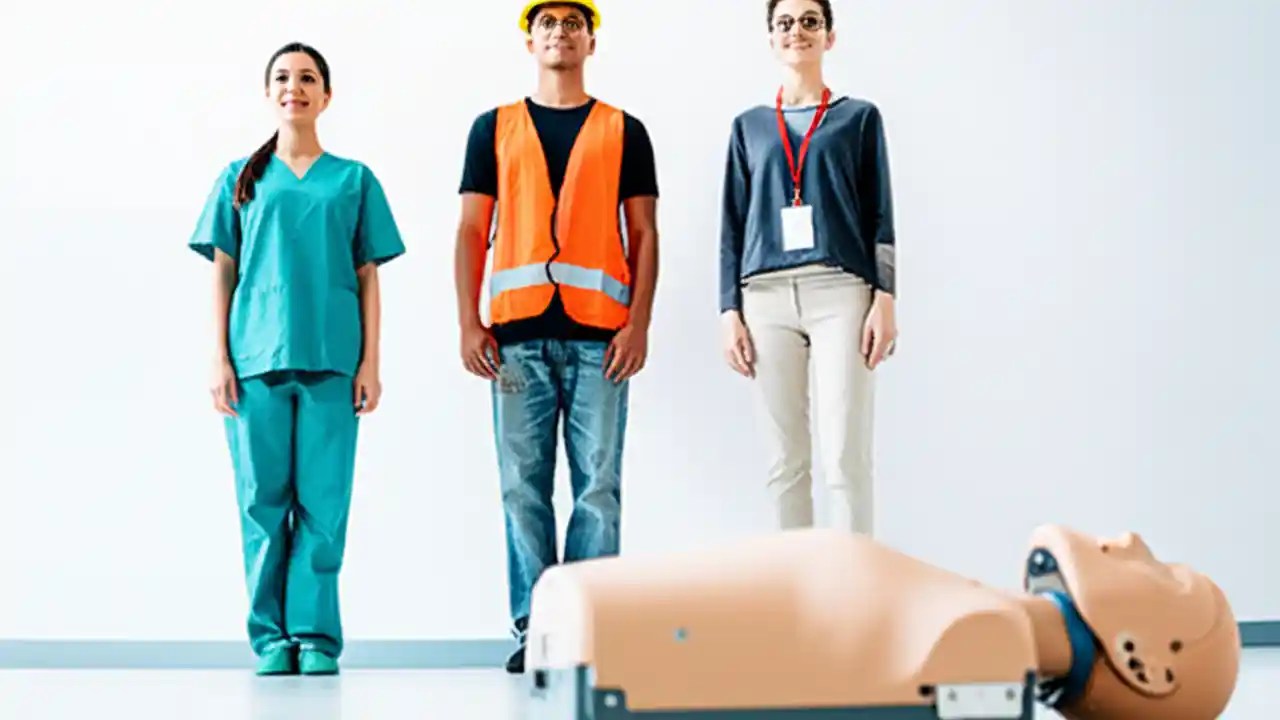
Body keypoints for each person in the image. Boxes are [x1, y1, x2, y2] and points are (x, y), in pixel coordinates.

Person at [453, 0, 660, 674]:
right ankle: (536, 629)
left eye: (573, 23)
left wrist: (639, 322)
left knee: (599, 486)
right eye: (548, 23)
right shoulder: (494, 129)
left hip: (601, 339)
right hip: (514, 339)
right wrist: (467, 321)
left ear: (590, 40)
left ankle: (589, 629)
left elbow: (645, 233)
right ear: (529, 40)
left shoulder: (625, 130)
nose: (561, 33)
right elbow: (469, 231)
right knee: (522, 487)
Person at [187, 42, 406, 676]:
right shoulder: (239, 178)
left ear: (326, 95)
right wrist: (218, 359)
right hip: (254, 361)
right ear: (268, 93)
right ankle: (270, 639)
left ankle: (314, 636)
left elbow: (369, 276)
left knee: (322, 504)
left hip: (333, 360)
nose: (295, 87)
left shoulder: (353, 179)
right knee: (261, 503)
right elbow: (222, 275)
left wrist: (370, 363)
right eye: (283, 77)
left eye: (308, 78)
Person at [719, 0, 898, 535]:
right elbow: (731, 222)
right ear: (771, 38)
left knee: (844, 455)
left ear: (829, 36)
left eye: (809, 22)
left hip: (841, 291)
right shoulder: (748, 127)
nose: (797, 31)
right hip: (765, 298)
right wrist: (729, 310)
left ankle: (852, 593)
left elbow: (880, 213)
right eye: (785, 23)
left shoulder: (859, 118)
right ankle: (794, 597)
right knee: (784, 462)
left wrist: (884, 297)